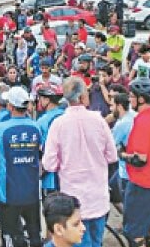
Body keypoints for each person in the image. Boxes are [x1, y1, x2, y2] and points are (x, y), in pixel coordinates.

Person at [43, 78, 117, 247]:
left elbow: (49, 164)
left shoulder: (58, 124)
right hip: (98, 199)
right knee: (96, 242)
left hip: (73, 203)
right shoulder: (99, 121)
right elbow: (112, 156)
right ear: (83, 96)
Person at [0, 86, 42, 247]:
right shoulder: (36, 127)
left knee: (10, 236)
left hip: (8, 192)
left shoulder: (1, 128)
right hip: (32, 191)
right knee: (34, 234)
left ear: (10, 106)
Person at [120, 79, 150, 247]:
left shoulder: (143, 121)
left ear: (141, 99)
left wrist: (122, 155)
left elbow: (139, 160)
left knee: (135, 233)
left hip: (142, 184)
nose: (129, 99)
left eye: (132, 96)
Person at [35, 83, 65, 195]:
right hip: (68, 173)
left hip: (50, 175)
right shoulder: (66, 115)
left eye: (40, 98)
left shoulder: (42, 121)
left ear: (47, 99)